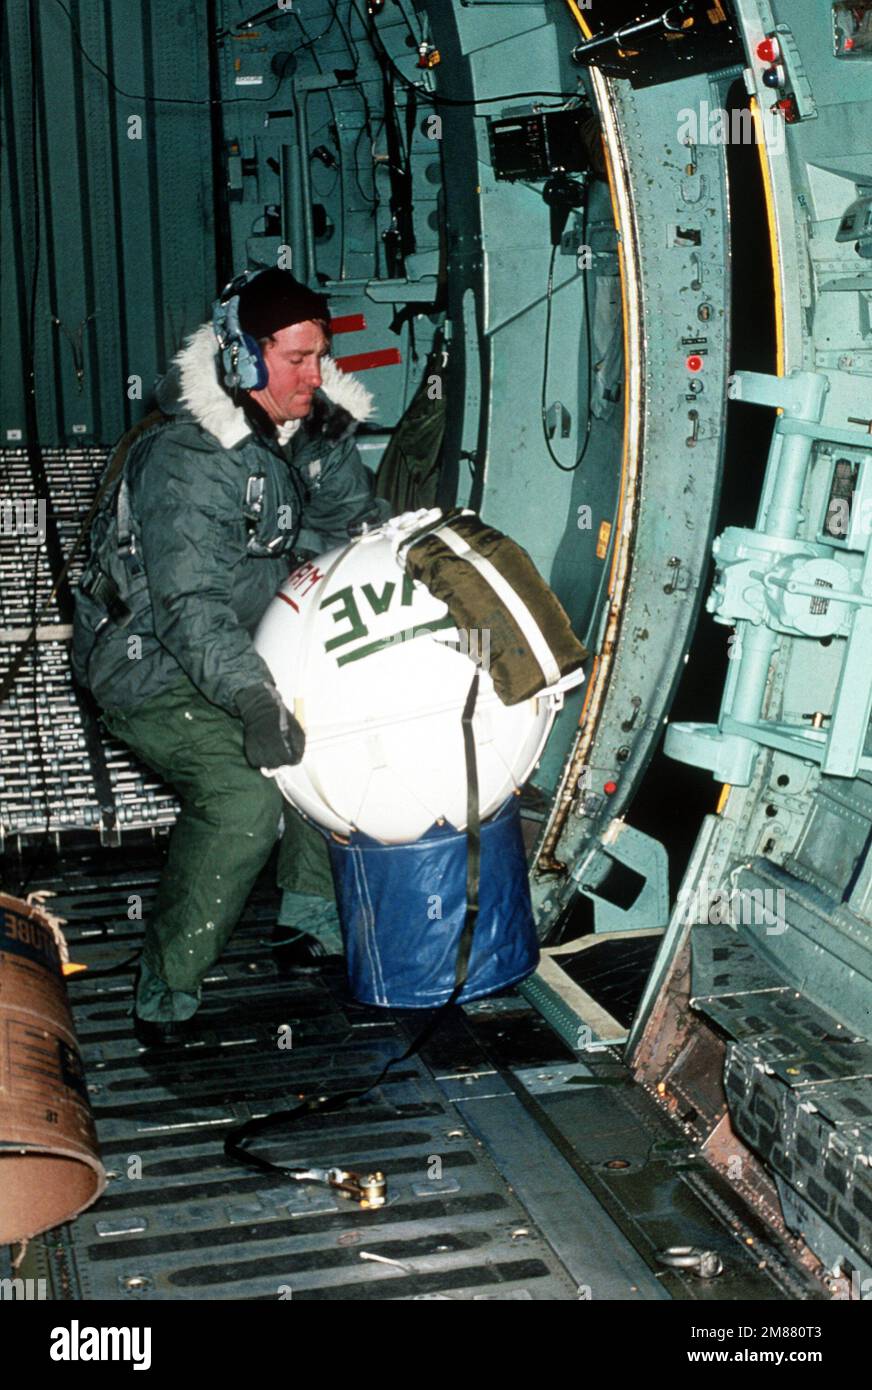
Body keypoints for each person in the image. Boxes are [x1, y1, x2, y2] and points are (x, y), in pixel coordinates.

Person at [71, 268, 387, 1044]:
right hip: (153, 666)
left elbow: (359, 523)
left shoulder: (299, 427)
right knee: (246, 801)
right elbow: (189, 608)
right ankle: (164, 993)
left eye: (321, 358)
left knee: (332, 732)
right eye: (296, 359)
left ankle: (309, 916)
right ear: (243, 359)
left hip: (247, 644)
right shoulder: (187, 457)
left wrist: (334, 460)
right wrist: (253, 700)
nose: (316, 378)